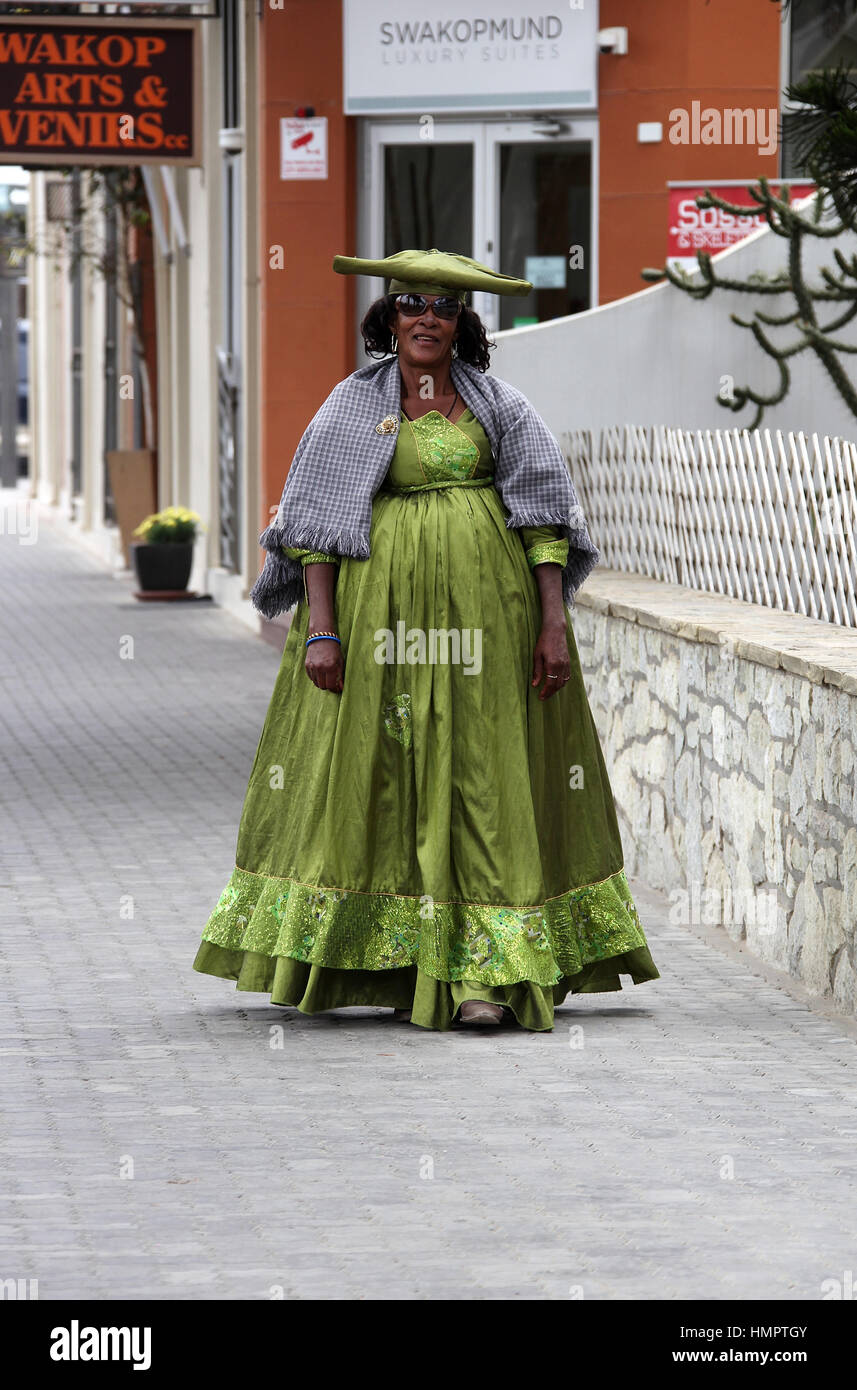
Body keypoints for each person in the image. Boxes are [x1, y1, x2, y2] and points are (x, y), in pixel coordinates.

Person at [192, 247, 660, 1030]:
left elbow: (543, 521)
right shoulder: (347, 408)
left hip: (492, 626)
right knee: (380, 777)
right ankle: (383, 960)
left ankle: (484, 974)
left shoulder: (501, 407)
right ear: (389, 320)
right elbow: (313, 532)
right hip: (378, 630)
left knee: (484, 775)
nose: (426, 319)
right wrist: (323, 634)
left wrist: (551, 626)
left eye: (441, 309)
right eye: (410, 306)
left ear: (461, 324)